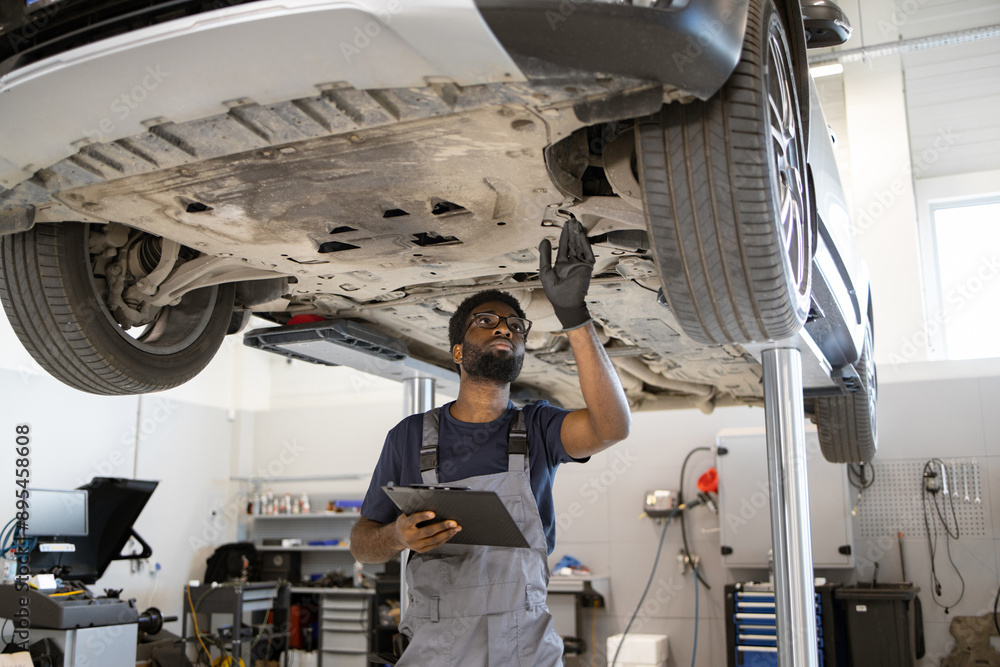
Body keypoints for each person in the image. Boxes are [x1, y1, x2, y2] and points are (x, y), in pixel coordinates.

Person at [350, 219, 631, 666]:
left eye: (515, 326)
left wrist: (573, 315)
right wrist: (396, 535)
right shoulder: (408, 437)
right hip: (435, 649)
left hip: (523, 646)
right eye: (486, 322)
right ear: (459, 351)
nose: (505, 329)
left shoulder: (538, 427)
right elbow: (362, 544)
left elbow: (612, 427)